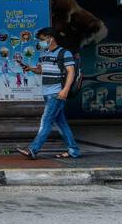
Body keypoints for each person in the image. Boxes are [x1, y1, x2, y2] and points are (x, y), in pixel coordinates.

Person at [17, 27, 81, 160]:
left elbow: (71, 72)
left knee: (45, 121)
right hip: (46, 92)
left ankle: (33, 150)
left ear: (50, 38)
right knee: (61, 123)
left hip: (56, 93)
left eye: (42, 39)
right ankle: (73, 150)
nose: (40, 42)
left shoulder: (64, 53)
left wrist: (65, 89)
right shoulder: (43, 54)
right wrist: (30, 68)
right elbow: (41, 71)